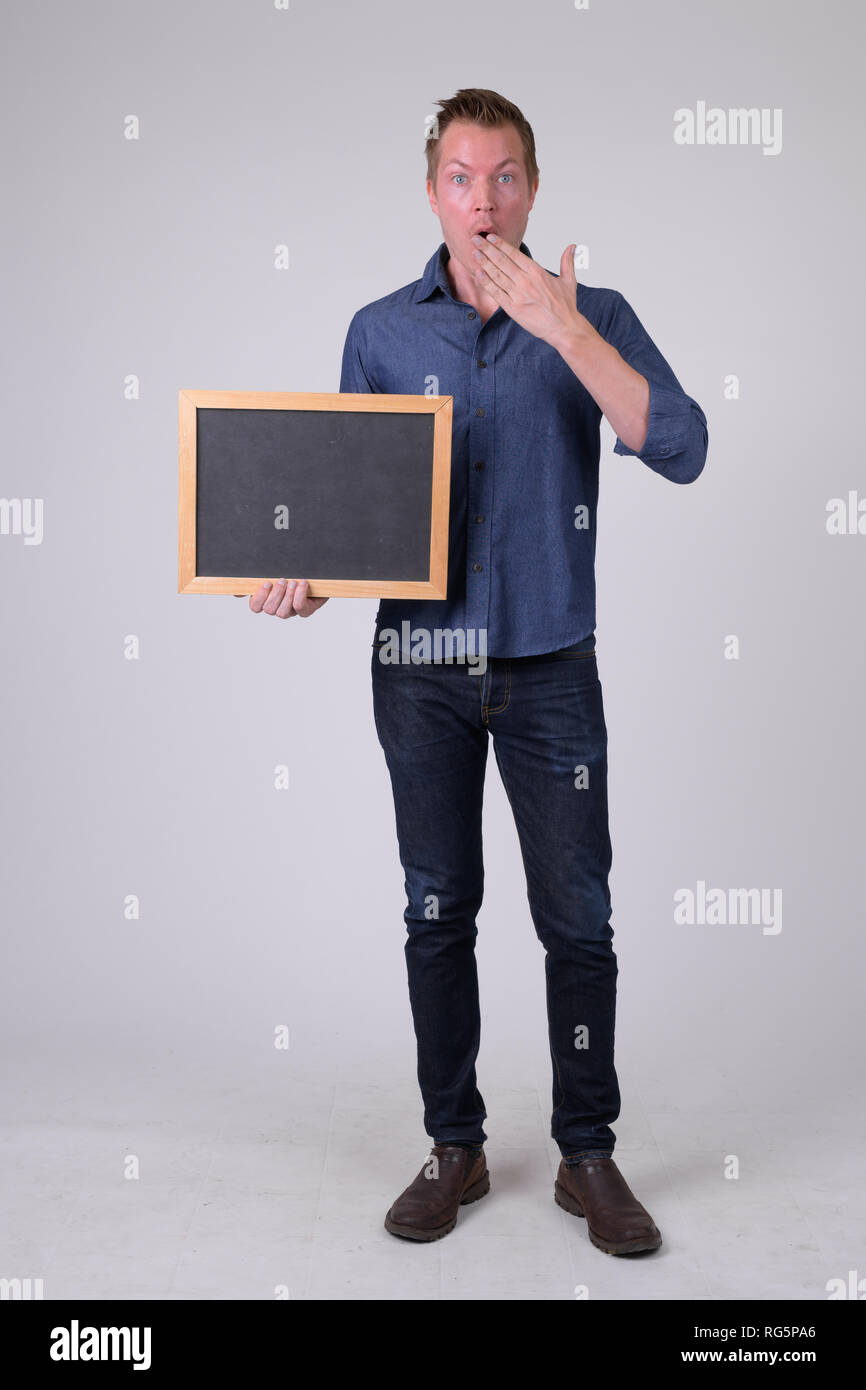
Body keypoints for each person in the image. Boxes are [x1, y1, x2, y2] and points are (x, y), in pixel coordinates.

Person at [239, 88, 708, 1256]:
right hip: (419, 666)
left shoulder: (591, 316)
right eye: (461, 176)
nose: (483, 201)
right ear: (432, 190)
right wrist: (303, 582)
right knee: (436, 914)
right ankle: (453, 1144)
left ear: (533, 189)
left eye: (504, 177)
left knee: (579, 921)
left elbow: (683, 445)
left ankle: (585, 1153)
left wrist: (564, 330)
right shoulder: (379, 331)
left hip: (552, 667)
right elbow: (353, 518)